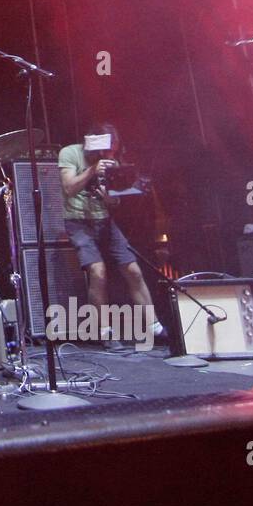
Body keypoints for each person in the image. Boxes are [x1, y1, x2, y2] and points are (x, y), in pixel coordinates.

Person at [57, 123, 163, 344]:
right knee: (98, 272)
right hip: (77, 221)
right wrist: (92, 171)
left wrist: (110, 195)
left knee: (133, 270)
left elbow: (114, 201)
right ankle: (104, 331)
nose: (103, 153)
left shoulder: (109, 161)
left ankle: (155, 326)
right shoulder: (70, 153)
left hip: (104, 220)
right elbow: (69, 188)